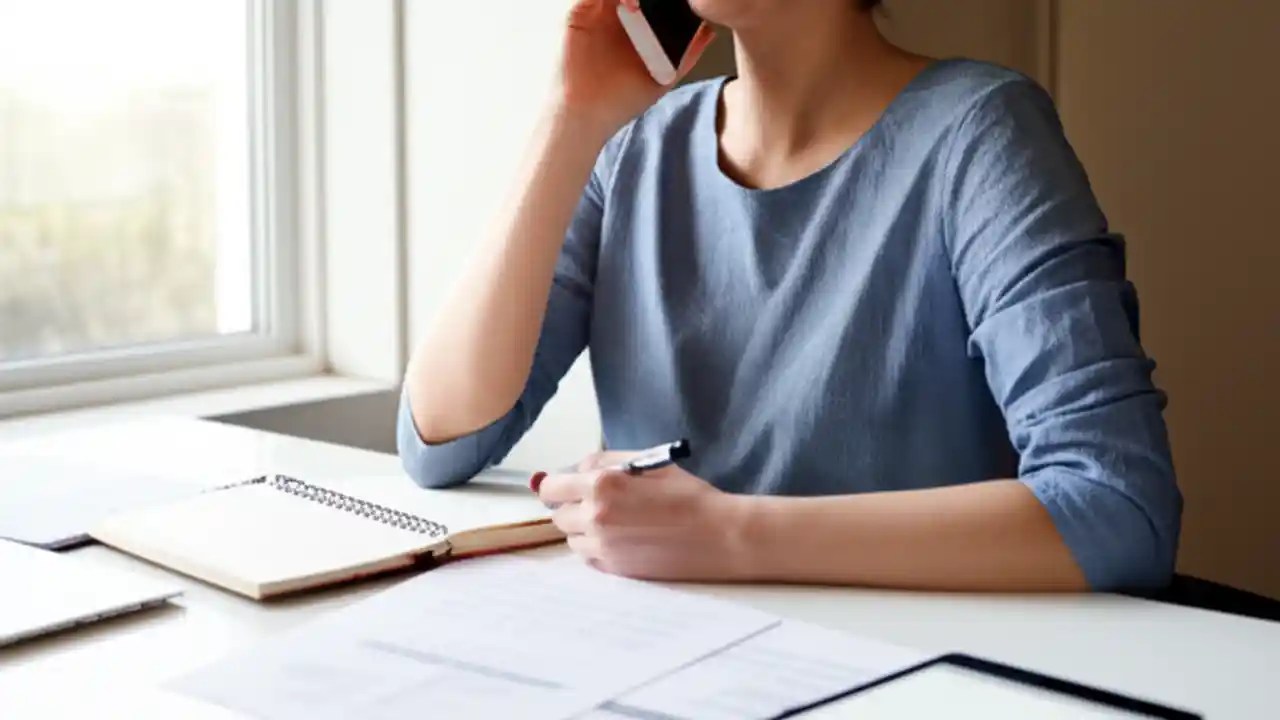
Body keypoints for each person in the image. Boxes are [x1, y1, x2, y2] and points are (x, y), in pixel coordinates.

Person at [397, 0, 1182, 592]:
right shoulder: (639, 147)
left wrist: (733, 536)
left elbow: (1117, 509)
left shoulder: (980, 135)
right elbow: (439, 441)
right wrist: (571, 117)